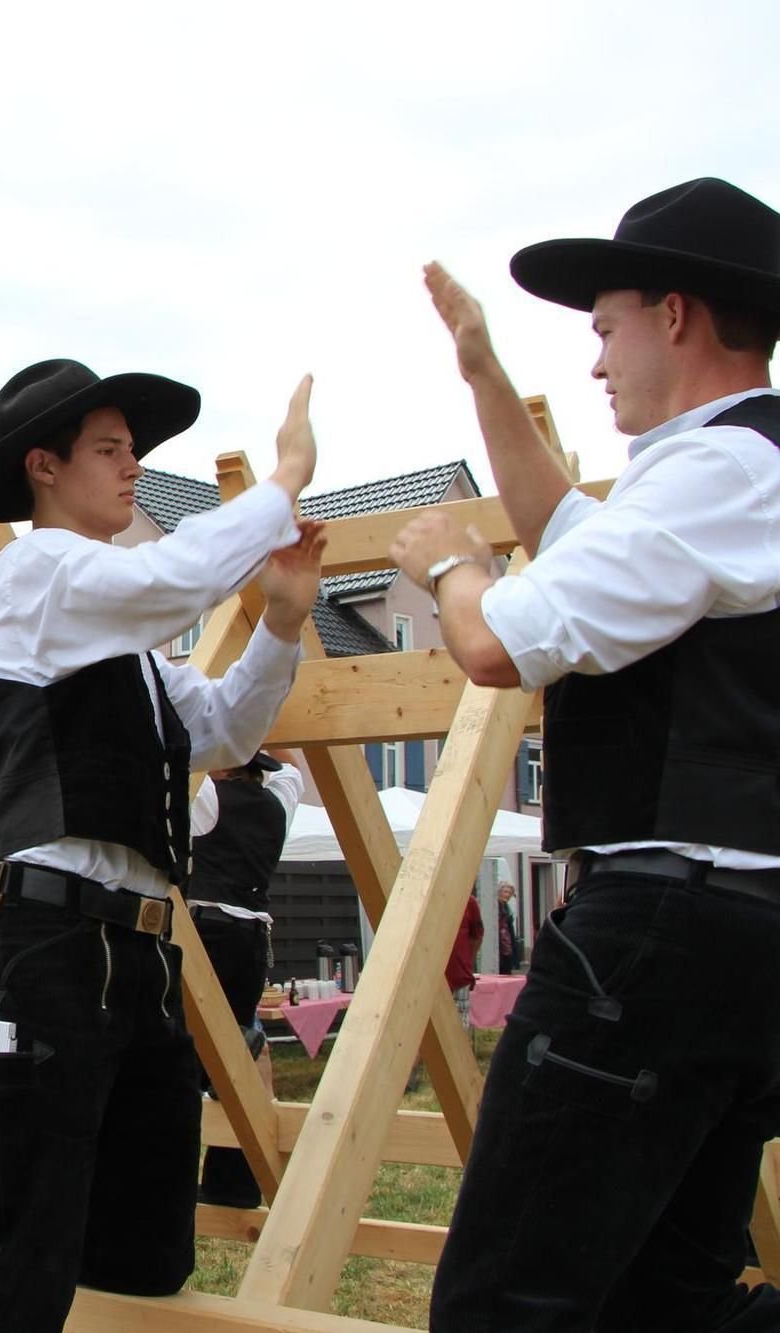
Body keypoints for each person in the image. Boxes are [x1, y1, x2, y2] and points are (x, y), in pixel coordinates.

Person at [391, 177, 780, 1330]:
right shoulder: (725, 475)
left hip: (662, 923)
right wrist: (480, 372)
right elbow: (569, 530)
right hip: (736, 932)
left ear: (675, 314)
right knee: (662, 1303)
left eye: (605, 328)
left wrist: (451, 565)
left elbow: (496, 642)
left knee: (504, 1303)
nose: (596, 360)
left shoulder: (720, 472)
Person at [0, 359, 325, 1330]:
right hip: (49, 943)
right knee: (18, 1280)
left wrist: (282, 623)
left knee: (142, 1254)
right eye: (109, 450)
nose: (132, 468)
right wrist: (283, 482)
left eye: (131, 452)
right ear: (43, 466)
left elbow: (222, 732)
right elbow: (173, 579)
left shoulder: (122, 641)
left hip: (138, 957)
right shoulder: (32, 573)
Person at [186, 749, 305, 1209]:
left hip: (209, 934)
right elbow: (293, 769)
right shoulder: (278, 802)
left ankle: (191, 1174)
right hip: (252, 940)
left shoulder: (210, 797)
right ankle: (232, 1180)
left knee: (186, 1052)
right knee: (233, 1055)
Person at [446, 886, 484, 1027]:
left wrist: (467, 963)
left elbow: (477, 936)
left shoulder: (468, 902)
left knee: (459, 1023)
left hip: (459, 976)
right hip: (430, 978)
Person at [494, 880, 519, 975]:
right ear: (499, 892)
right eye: (505, 892)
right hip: (499, 943)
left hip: (506, 944)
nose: (507, 895)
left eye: (509, 893)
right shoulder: (495, 906)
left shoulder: (506, 907)